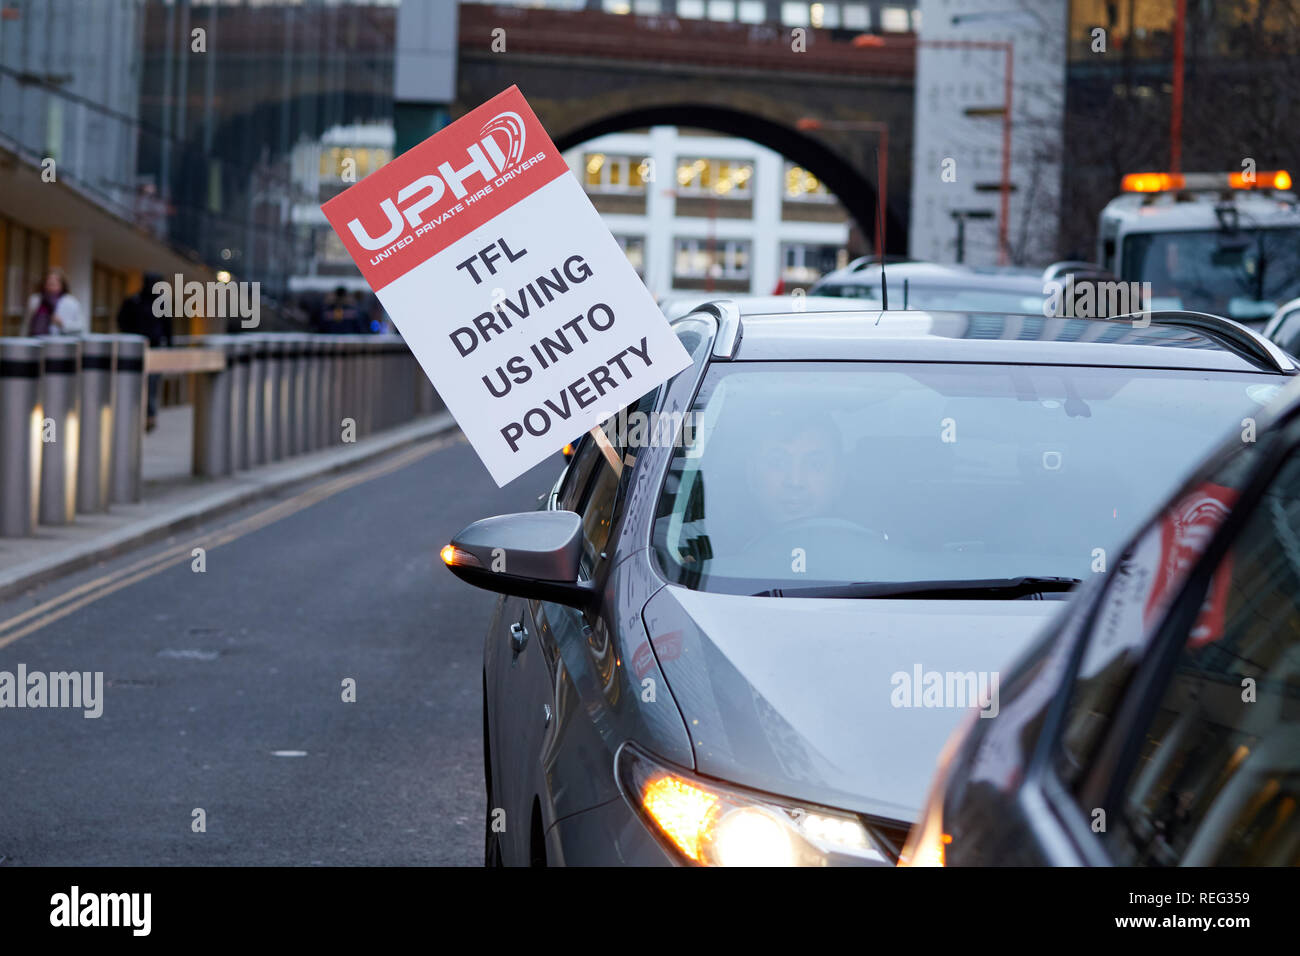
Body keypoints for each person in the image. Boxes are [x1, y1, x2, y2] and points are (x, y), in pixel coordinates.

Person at [116, 272, 172, 432]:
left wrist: (168, 347)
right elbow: (122, 321)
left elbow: (167, 327)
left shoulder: (162, 303)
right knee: (134, 382)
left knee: (152, 384)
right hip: (135, 349)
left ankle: (150, 416)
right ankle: (134, 414)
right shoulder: (133, 301)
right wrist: (133, 337)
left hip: (155, 349)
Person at [22, 268, 85, 336]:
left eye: (55, 282)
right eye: (49, 282)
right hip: (35, 340)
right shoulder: (35, 300)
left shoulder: (71, 302)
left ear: (62, 285)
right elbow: (26, 324)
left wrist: (62, 323)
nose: (51, 284)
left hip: (59, 343)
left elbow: (81, 326)